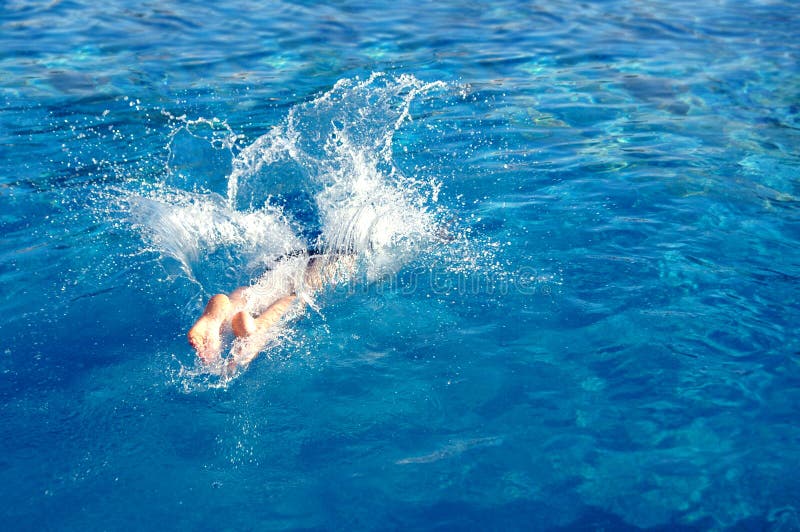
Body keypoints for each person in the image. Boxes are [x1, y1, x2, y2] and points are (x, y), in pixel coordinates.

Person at [187, 252, 355, 373]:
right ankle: (260, 326)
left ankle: (223, 306)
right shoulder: (348, 257)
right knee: (296, 297)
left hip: (288, 260)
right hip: (324, 264)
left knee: (252, 292)